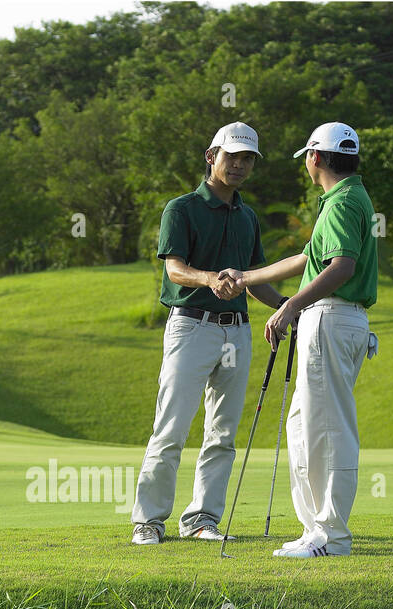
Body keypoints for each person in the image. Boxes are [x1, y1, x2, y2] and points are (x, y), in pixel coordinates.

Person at [219, 121, 378, 559]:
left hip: (331, 316)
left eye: (307, 158)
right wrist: (247, 276)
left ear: (315, 158)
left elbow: (341, 267)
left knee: (327, 430)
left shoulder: (344, 202)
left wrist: (290, 307)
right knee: (305, 427)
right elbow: (307, 259)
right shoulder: (343, 200)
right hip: (332, 318)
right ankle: (314, 530)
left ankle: (331, 537)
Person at [131, 122, 288, 545]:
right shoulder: (181, 208)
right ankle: (149, 520)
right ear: (211, 156)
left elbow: (256, 280)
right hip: (191, 325)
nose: (239, 165)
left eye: (247, 159)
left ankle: (202, 518)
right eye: (231, 156)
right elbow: (175, 268)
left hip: (236, 332)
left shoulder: (248, 216)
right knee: (171, 429)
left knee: (222, 434)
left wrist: (289, 306)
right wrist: (209, 279)